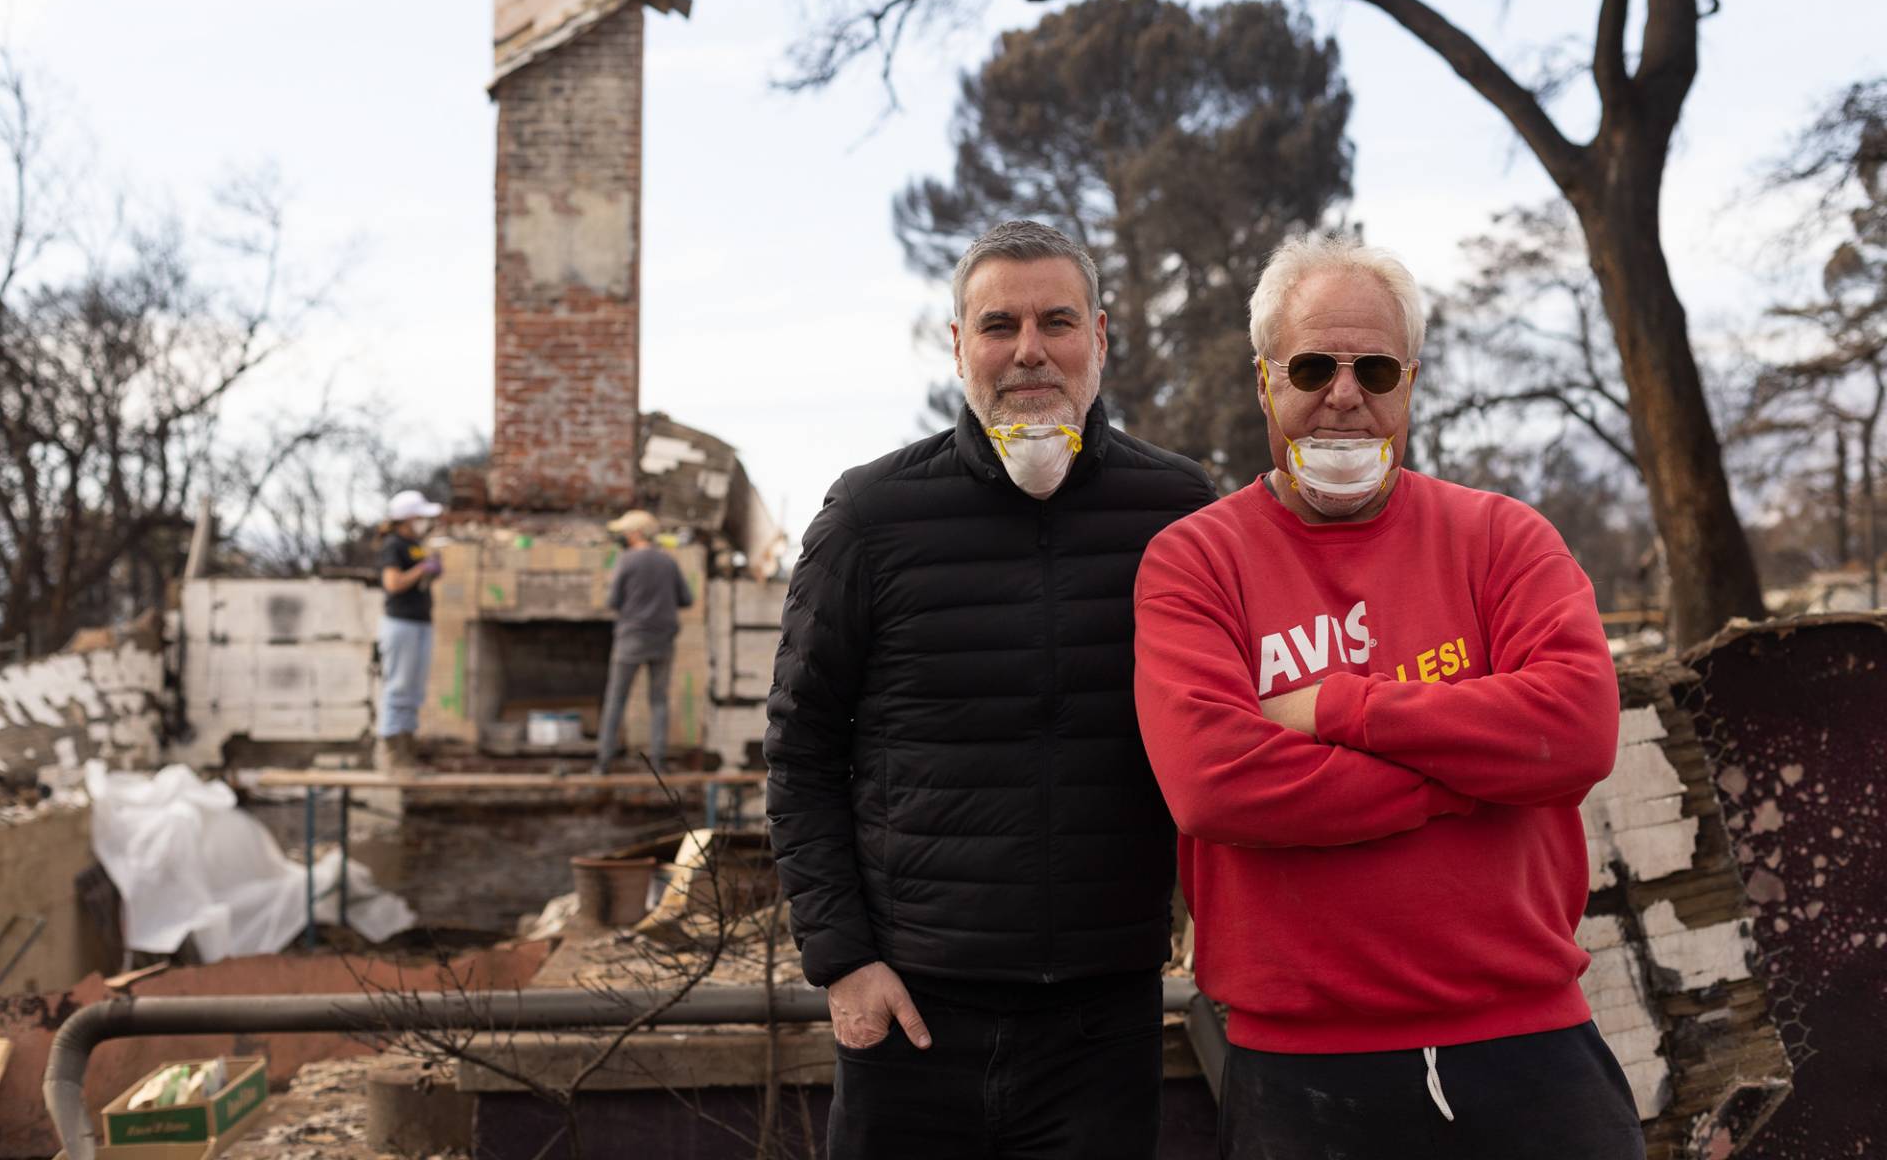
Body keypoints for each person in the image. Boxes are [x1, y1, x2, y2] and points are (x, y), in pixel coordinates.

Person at [1133, 232, 1643, 1160]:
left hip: (1531, 1053)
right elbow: (1214, 784)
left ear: (1408, 381)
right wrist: (1477, 770)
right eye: (1312, 366)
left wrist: (1337, 710)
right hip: (1300, 1076)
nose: (1343, 394)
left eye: (1374, 367)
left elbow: (1574, 731)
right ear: (1263, 382)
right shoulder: (1195, 561)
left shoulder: (1504, 539)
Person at [765, 220, 1215, 1160]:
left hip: (1103, 1017)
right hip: (912, 1013)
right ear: (957, 344)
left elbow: (1226, 742)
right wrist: (844, 962)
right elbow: (801, 751)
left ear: (1101, 335)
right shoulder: (871, 516)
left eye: (1056, 321)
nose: (1028, 351)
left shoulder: (1179, 514)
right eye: (998, 324)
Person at [594, 508, 694, 772]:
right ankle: (659, 763)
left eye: (626, 532)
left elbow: (613, 601)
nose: (623, 537)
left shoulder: (626, 561)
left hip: (631, 639)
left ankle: (603, 763)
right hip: (662, 641)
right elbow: (687, 599)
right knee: (658, 701)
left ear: (637, 533)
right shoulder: (668, 562)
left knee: (616, 699)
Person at [376, 489, 443, 770]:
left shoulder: (416, 544)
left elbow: (422, 578)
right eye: (420, 517)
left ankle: (409, 746)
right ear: (407, 519)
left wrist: (434, 568)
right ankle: (395, 753)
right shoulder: (393, 545)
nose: (424, 523)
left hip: (420, 622)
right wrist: (420, 569)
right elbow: (392, 584)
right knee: (399, 687)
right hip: (400, 623)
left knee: (414, 688)